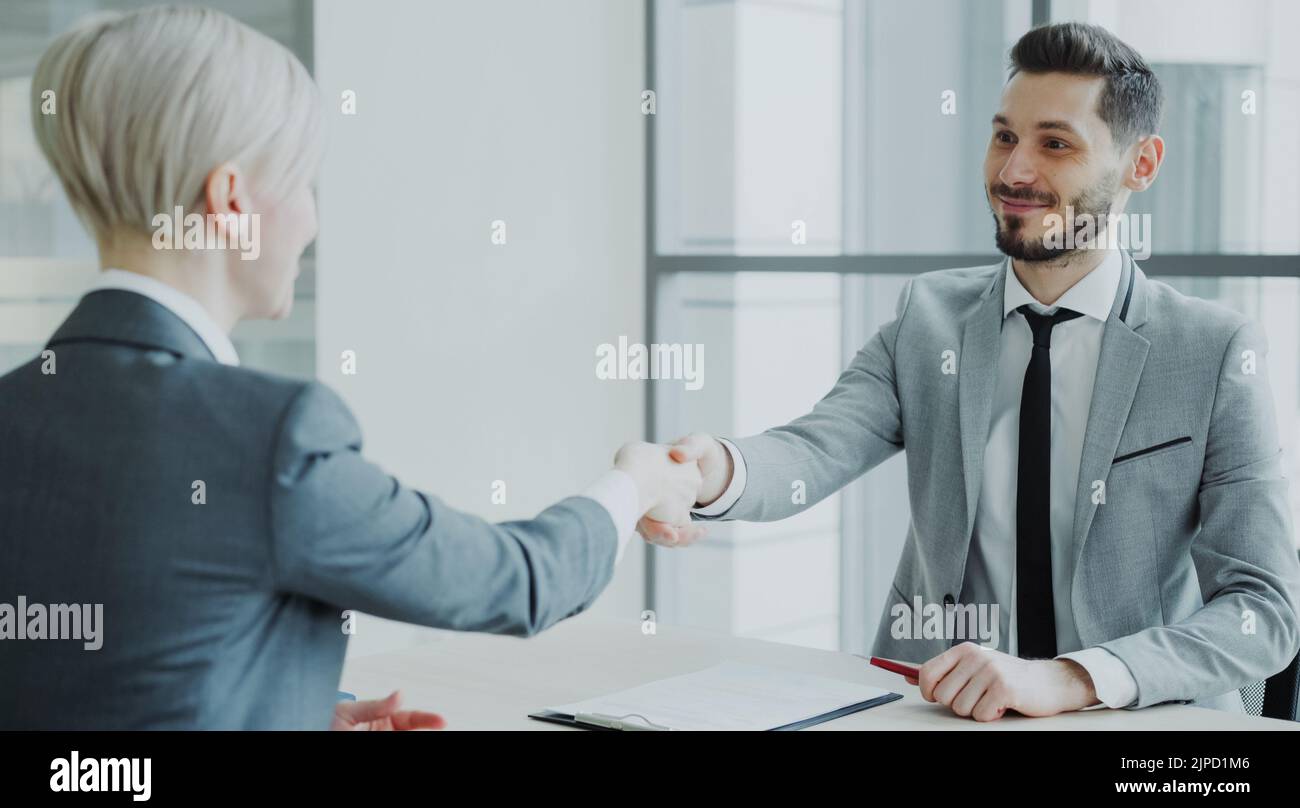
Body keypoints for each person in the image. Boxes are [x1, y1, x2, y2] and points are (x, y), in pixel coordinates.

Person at [0, 5, 701, 730]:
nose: (311, 219)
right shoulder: (267, 436)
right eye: (302, 183)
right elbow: (521, 580)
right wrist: (639, 480)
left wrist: (298, 711)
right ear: (231, 200)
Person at [637, 22, 1300, 721]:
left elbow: (1265, 607)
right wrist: (702, 469)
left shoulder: (1213, 350)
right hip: (945, 709)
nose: (1014, 173)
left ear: (1142, 163)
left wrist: (1072, 677)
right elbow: (810, 449)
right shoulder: (930, 319)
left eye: (1055, 143)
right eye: (1005, 136)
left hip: (1141, 726)